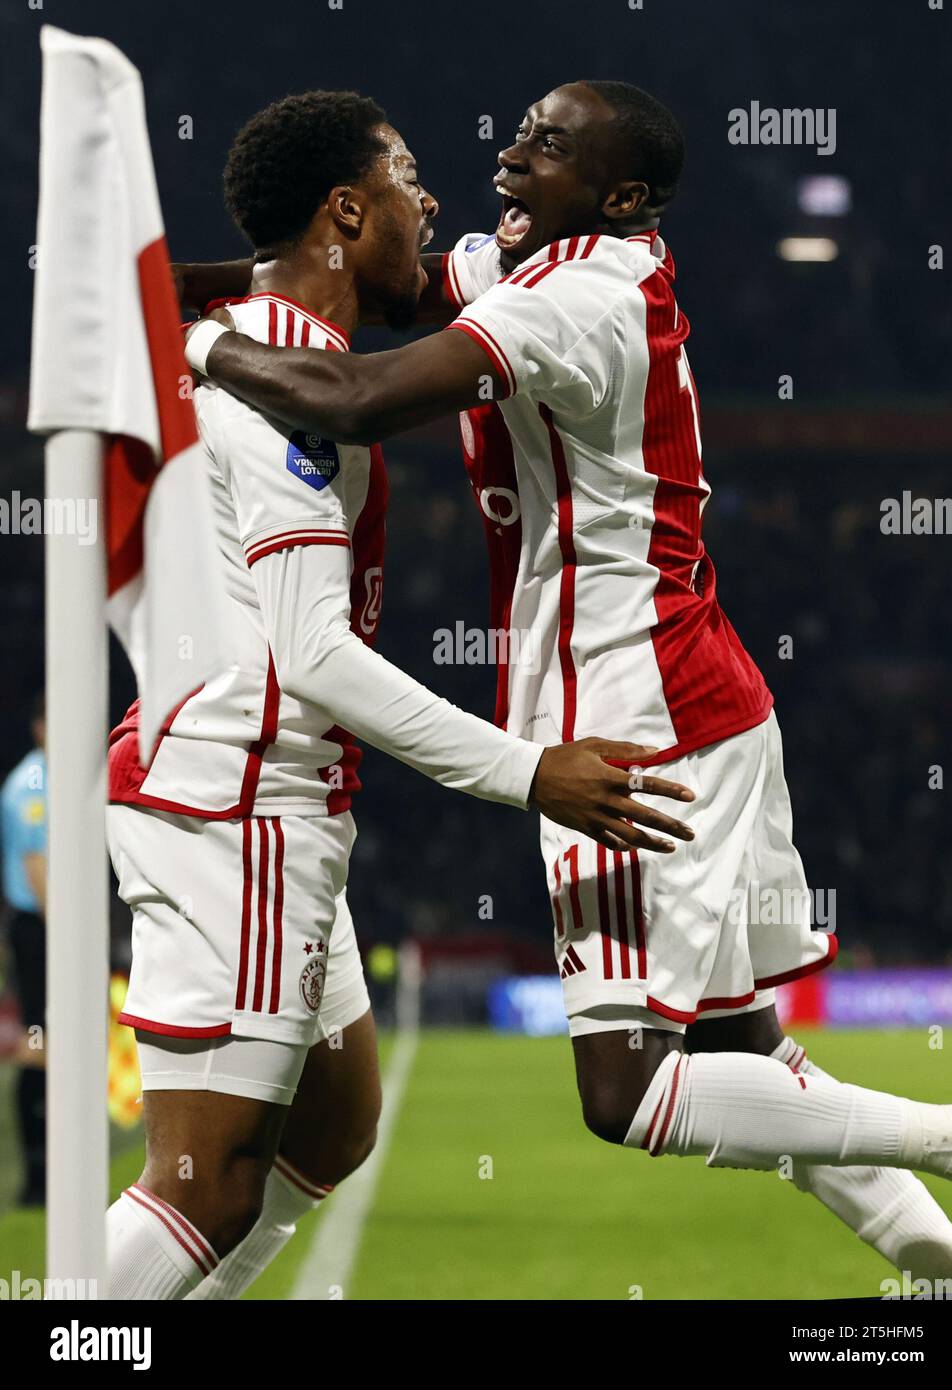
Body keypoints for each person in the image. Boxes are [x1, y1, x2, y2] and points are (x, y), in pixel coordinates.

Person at [186, 79, 952, 1282]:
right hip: (708, 697)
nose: (507, 154)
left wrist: (197, 343)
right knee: (752, 1066)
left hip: (632, 717)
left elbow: (355, 394)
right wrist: (185, 284)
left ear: (614, 196)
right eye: (516, 127)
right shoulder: (550, 260)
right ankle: (946, 1276)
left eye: (544, 145)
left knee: (625, 1091)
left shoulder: (575, 296)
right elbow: (352, 276)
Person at [105, 89, 694, 1302]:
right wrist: (529, 769)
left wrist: (186, 296)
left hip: (258, 794)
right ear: (345, 208)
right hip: (240, 804)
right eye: (408, 178)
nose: (437, 201)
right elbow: (314, 651)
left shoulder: (287, 347)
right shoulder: (290, 400)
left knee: (330, 1131)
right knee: (202, 1184)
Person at [0, 693, 47, 1206]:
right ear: (39, 728)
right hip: (38, 930)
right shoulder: (29, 786)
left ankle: (49, 1168)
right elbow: (37, 868)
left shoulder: (55, 778)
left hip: (48, 927)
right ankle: (37, 1175)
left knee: (50, 1042)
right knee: (39, 1042)